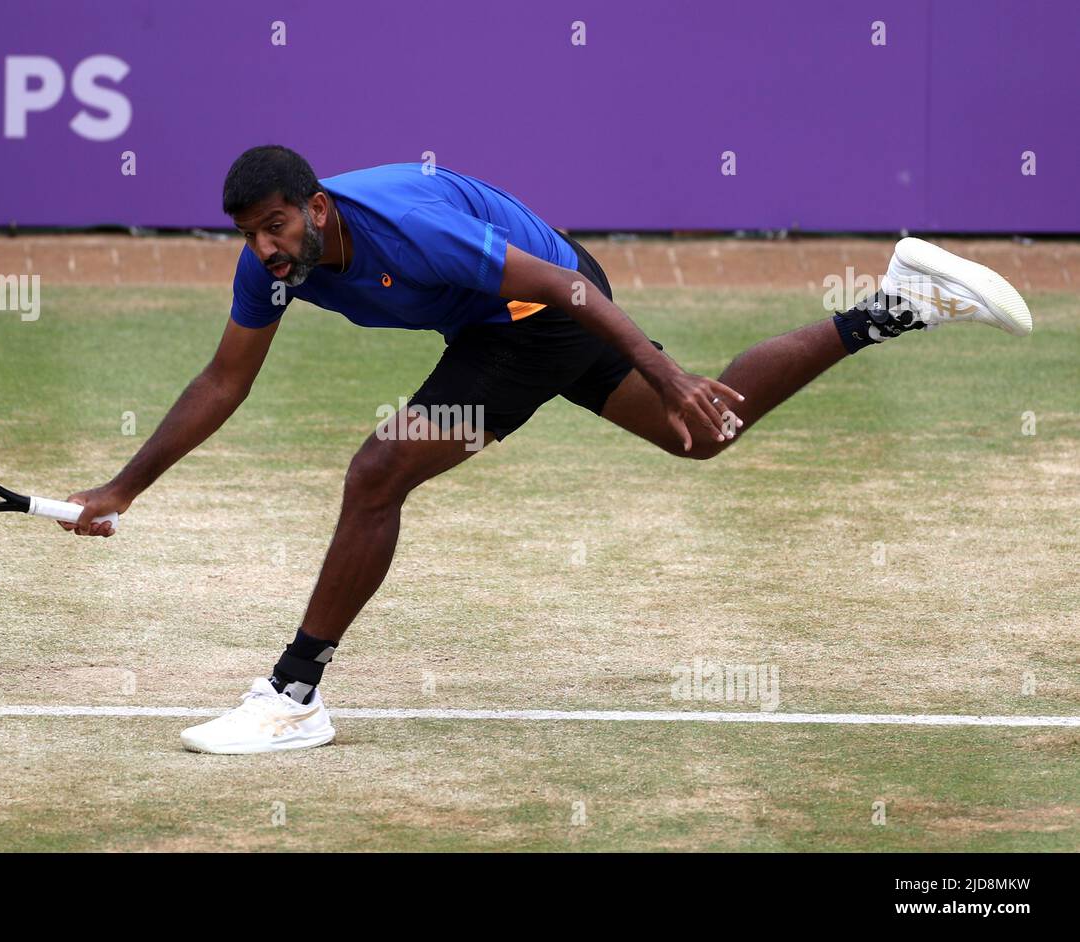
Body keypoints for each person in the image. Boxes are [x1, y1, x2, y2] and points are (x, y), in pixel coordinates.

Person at [62, 144, 1032, 754]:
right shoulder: (270, 270)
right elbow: (223, 381)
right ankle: (896, 303)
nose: (266, 249)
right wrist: (124, 486)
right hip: (506, 325)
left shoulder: (411, 233)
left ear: (315, 207)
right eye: (250, 235)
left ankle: (292, 690)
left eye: (275, 227)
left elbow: (567, 291)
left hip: (544, 306)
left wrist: (655, 366)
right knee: (703, 435)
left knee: (377, 471)